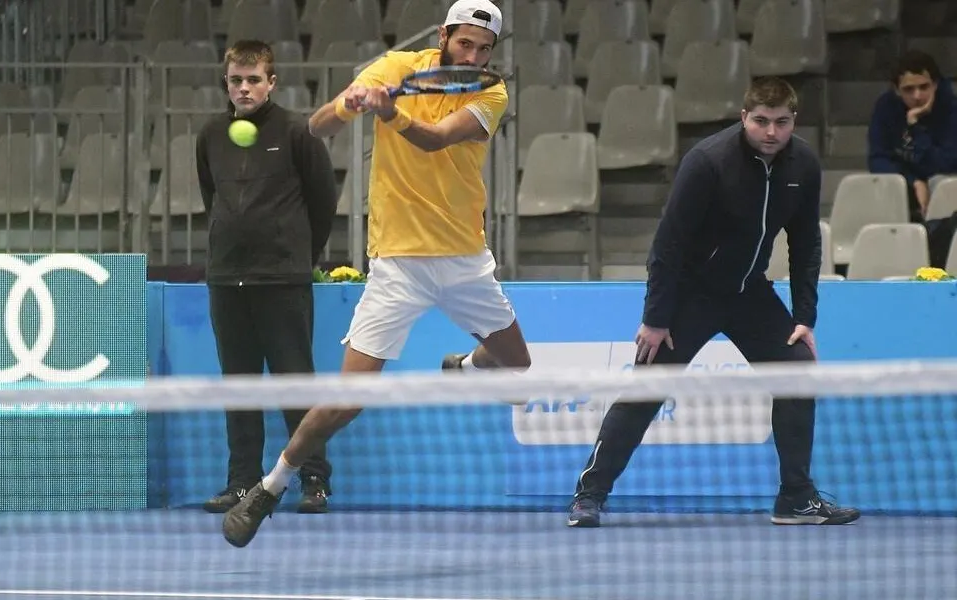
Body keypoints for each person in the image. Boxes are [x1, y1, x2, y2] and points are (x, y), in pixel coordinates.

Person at [221, 0, 532, 548]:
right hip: (397, 264)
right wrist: (352, 103)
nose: (473, 55)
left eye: (484, 49)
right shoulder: (394, 67)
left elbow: (435, 139)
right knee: (347, 398)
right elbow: (316, 128)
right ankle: (270, 487)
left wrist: (390, 114)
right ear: (443, 36)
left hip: (464, 258)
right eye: (464, 44)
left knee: (517, 366)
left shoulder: (491, 91)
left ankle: (465, 364)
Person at [566, 77, 862, 529]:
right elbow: (668, 243)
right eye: (761, 121)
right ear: (744, 117)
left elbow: (805, 244)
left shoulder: (803, 163)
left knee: (797, 369)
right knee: (645, 391)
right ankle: (589, 496)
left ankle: (796, 499)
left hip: (749, 293)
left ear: (793, 122)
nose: (770, 132)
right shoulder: (707, 161)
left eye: (781, 123)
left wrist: (805, 317)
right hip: (691, 295)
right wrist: (656, 319)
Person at [195, 39, 339, 515]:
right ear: (227, 83)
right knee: (239, 385)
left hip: (283, 280)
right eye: (236, 79)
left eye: (254, 79)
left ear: (271, 83)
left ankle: (313, 481)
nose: (244, 87)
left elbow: (323, 203)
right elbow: (209, 197)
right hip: (227, 279)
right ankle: (241, 483)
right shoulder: (211, 135)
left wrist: (299, 255)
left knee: (295, 383)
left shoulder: (298, 132)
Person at [868, 49, 957, 222]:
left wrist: (915, 126)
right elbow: (877, 158)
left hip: (943, 185)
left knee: (940, 183)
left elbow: (945, 164)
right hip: (907, 184)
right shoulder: (885, 108)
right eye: (909, 89)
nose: (917, 96)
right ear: (896, 90)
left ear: (935, 84)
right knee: (887, 185)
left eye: (924, 87)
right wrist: (913, 181)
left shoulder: (951, 110)